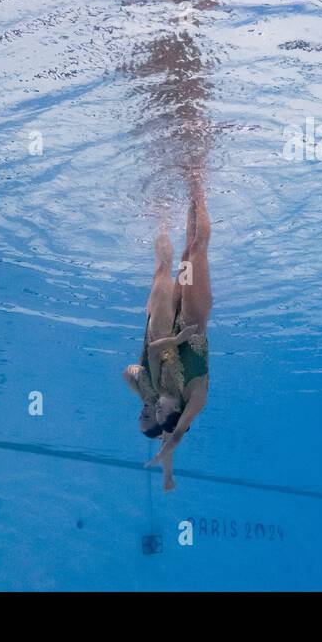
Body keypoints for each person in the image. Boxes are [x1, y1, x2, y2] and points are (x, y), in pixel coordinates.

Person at [124, 182, 212, 491]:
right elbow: (177, 430)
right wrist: (166, 466)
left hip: (171, 329)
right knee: (195, 247)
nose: (153, 410)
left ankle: (167, 212)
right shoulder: (194, 399)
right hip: (193, 319)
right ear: (174, 413)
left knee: (175, 261)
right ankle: (197, 188)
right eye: (156, 414)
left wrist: (166, 470)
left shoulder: (158, 392)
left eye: (148, 413)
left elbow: (168, 425)